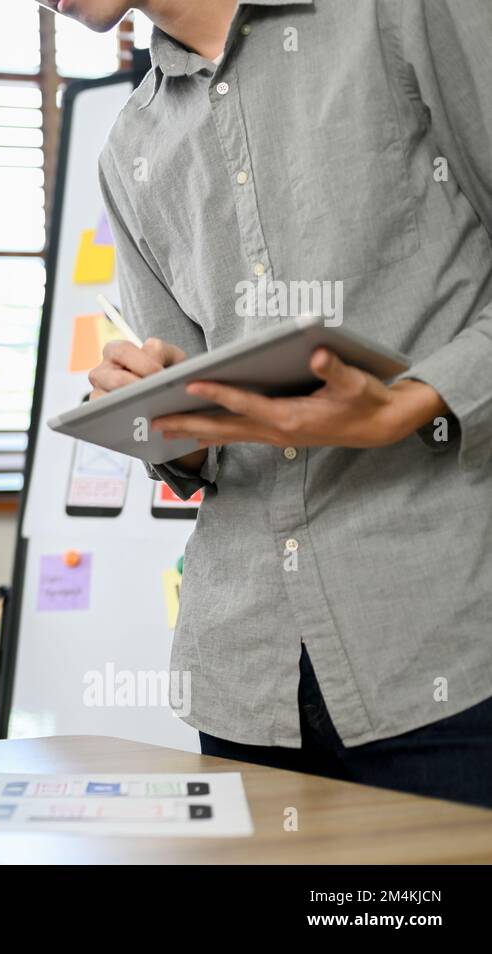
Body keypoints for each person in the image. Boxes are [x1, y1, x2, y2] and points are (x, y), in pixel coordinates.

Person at [57, 0, 492, 806]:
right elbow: (205, 435)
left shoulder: (401, 14)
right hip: (245, 682)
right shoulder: (130, 149)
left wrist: (411, 403)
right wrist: (157, 415)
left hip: (448, 646)